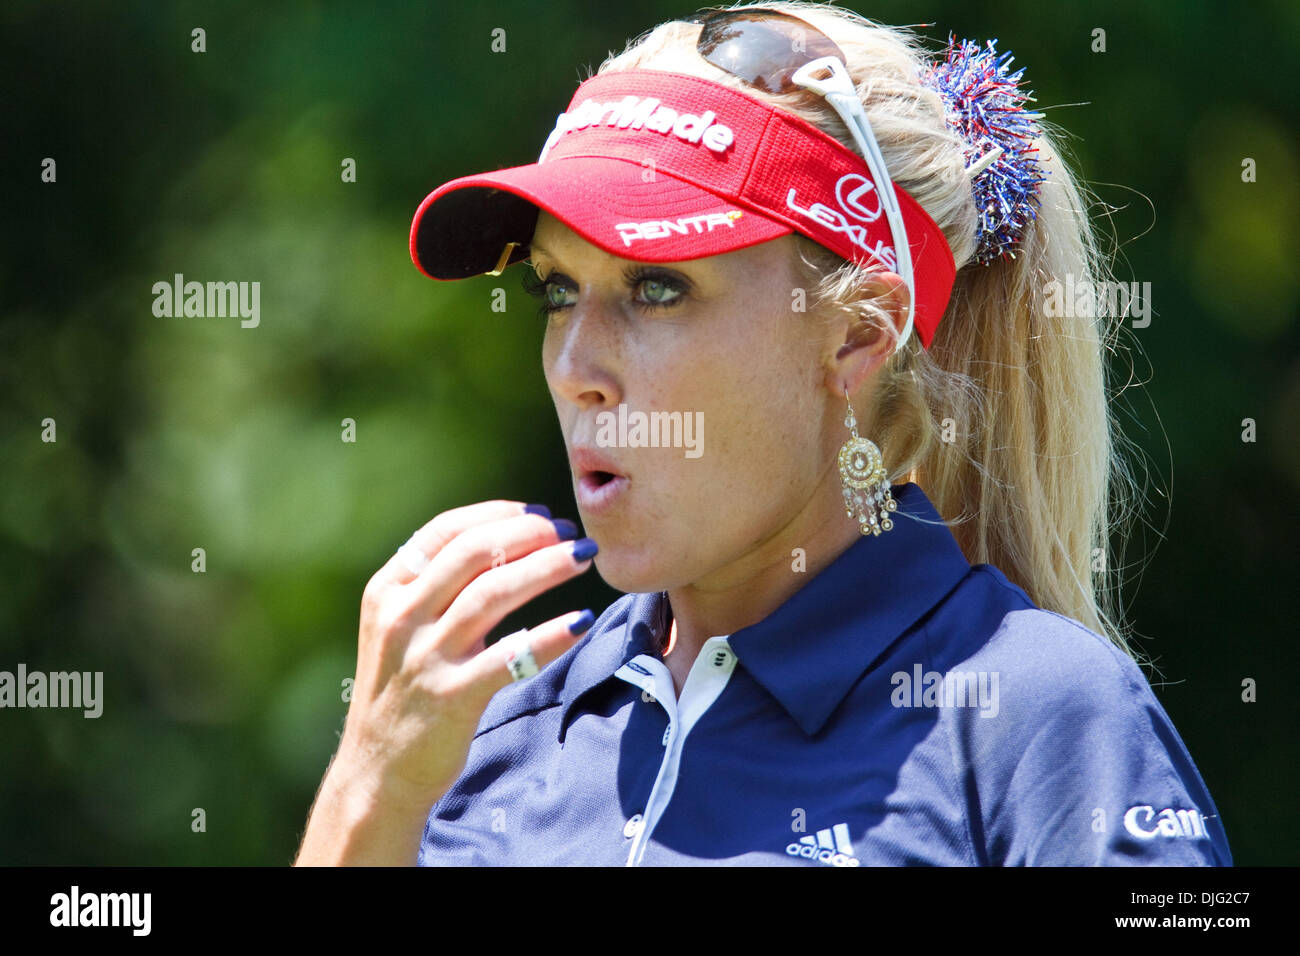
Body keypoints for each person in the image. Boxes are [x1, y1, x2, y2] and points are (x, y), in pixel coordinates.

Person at [294, 1, 1231, 866]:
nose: (576, 366)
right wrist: (369, 792)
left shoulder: (1042, 720)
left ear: (858, 336)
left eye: (657, 288)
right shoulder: (486, 731)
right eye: (557, 288)